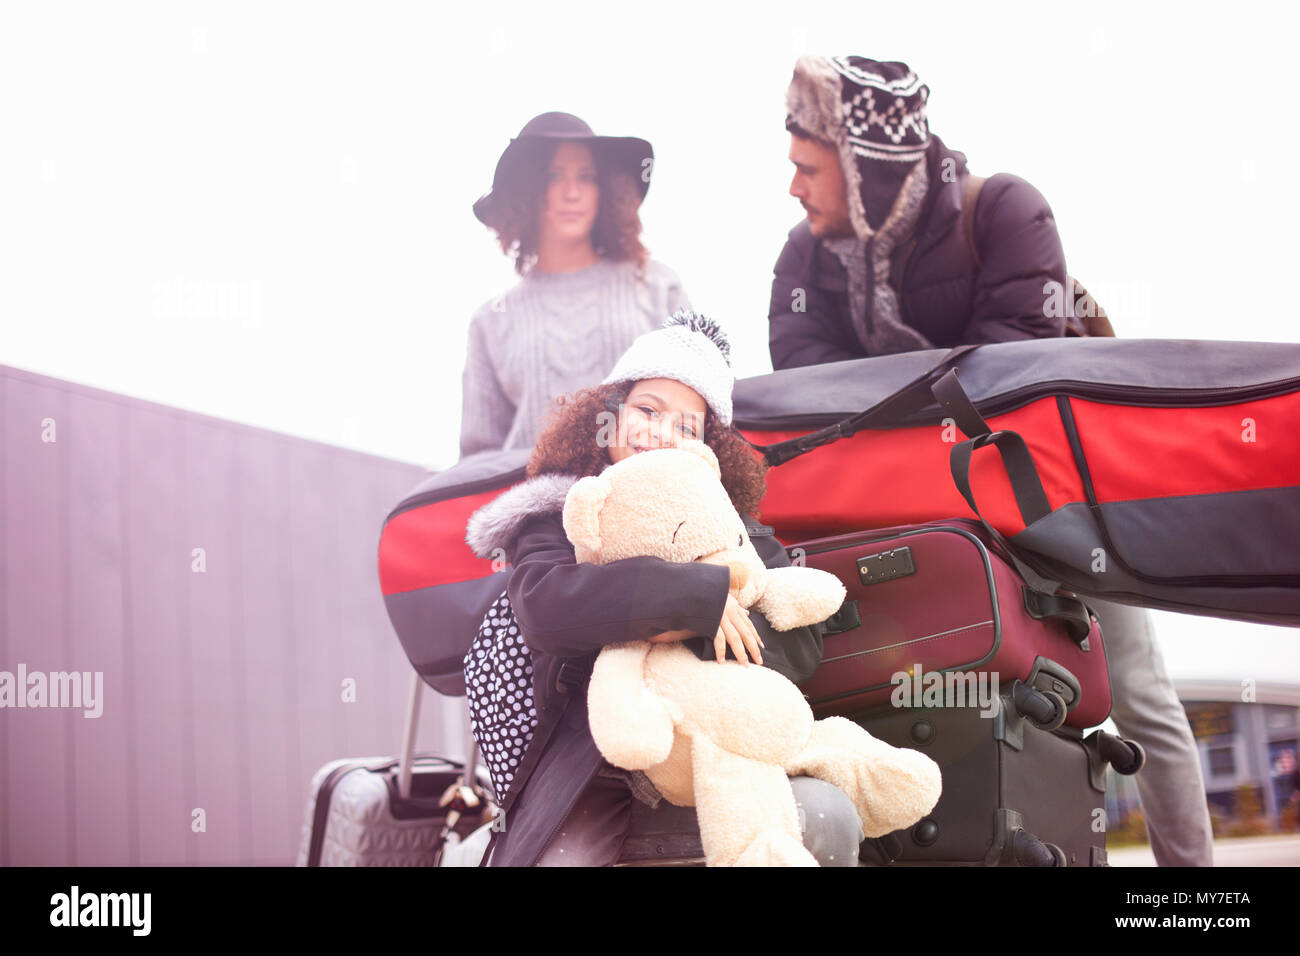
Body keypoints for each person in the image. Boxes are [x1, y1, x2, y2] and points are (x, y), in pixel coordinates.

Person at [769, 54, 1215, 867]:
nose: (793, 188)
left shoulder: (1006, 210)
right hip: (920, 516)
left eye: (807, 166)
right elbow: (810, 400)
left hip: (1058, 502)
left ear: (863, 164)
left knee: (1140, 699)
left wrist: (891, 415)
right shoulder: (803, 264)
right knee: (919, 697)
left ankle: (1193, 892)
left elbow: (1008, 380)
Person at [464, 311, 864, 866]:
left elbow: (796, 645)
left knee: (821, 818)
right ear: (609, 416)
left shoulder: (736, 532)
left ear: (710, 450)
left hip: (717, 749)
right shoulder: (558, 516)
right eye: (648, 411)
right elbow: (547, 609)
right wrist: (691, 601)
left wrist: (686, 637)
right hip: (592, 767)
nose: (661, 434)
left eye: (686, 427)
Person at [460, 111, 690, 459]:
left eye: (587, 177)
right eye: (554, 176)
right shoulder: (490, 321)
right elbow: (478, 458)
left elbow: (699, 409)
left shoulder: (657, 285)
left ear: (606, 190)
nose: (572, 193)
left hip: (648, 499)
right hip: (533, 508)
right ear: (528, 191)